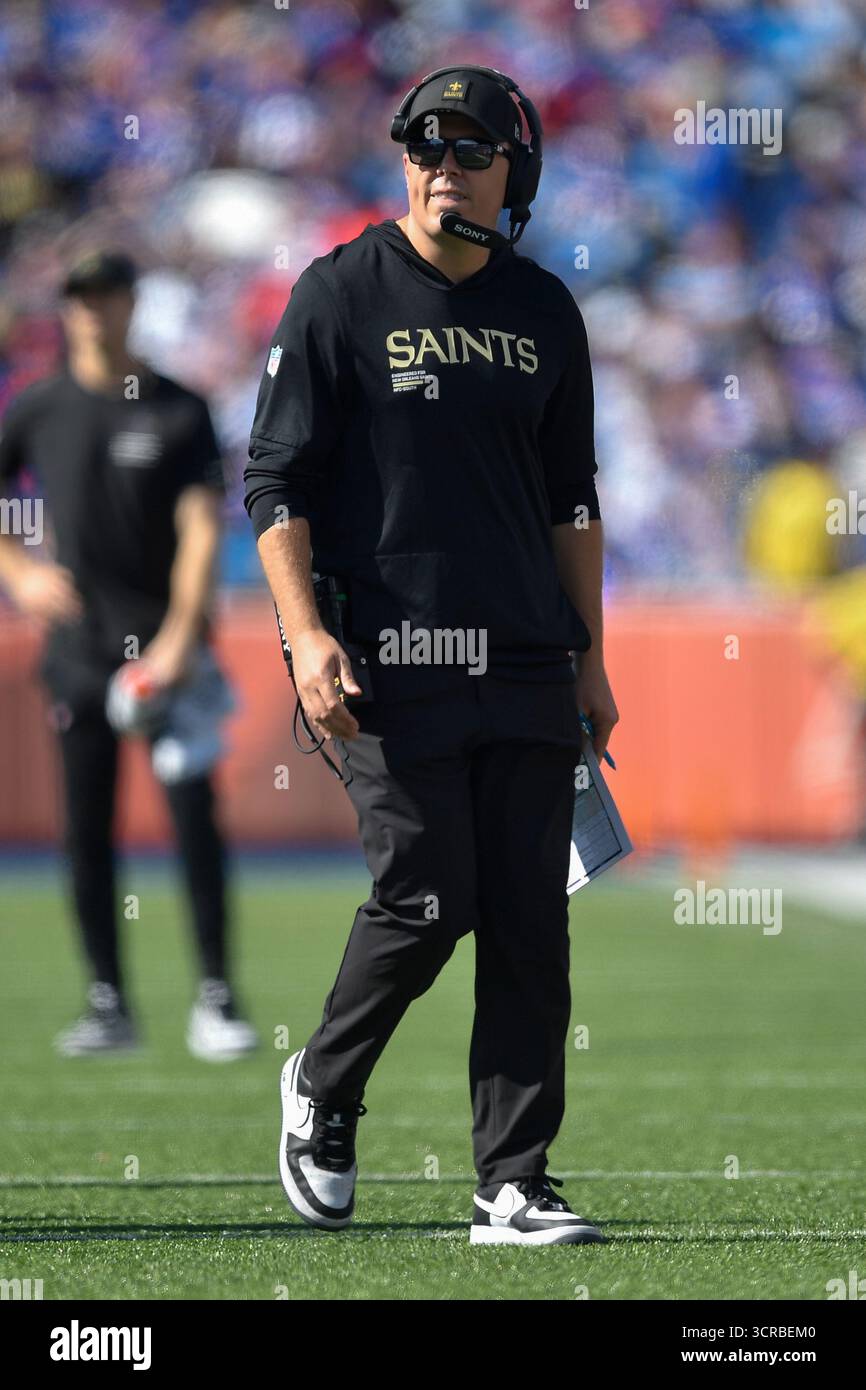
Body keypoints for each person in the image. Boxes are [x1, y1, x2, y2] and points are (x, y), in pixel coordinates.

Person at [245, 66, 618, 1245]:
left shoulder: (545, 310)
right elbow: (274, 482)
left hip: (524, 660)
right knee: (423, 896)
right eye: (420, 145)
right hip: (382, 661)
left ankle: (511, 1181)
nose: (437, 165)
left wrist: (591, 663)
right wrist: (307, 638)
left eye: (465, 148)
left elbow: (571, 504)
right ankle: (322, 1085)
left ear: (516, 172)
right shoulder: (337, 294)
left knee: (528, 923)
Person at [0, 250, 259, 1062]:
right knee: (86, 826)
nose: (90, 310)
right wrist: (21, 573)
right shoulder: (40, 405)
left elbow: (200, 527)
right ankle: (107, 999)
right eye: (78, 296)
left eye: (105, 295)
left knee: (194, 822)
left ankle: (216, 995)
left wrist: (184, 633)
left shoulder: (179, 406)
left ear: (131, 303)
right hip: (76, 646)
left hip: (166, 648)